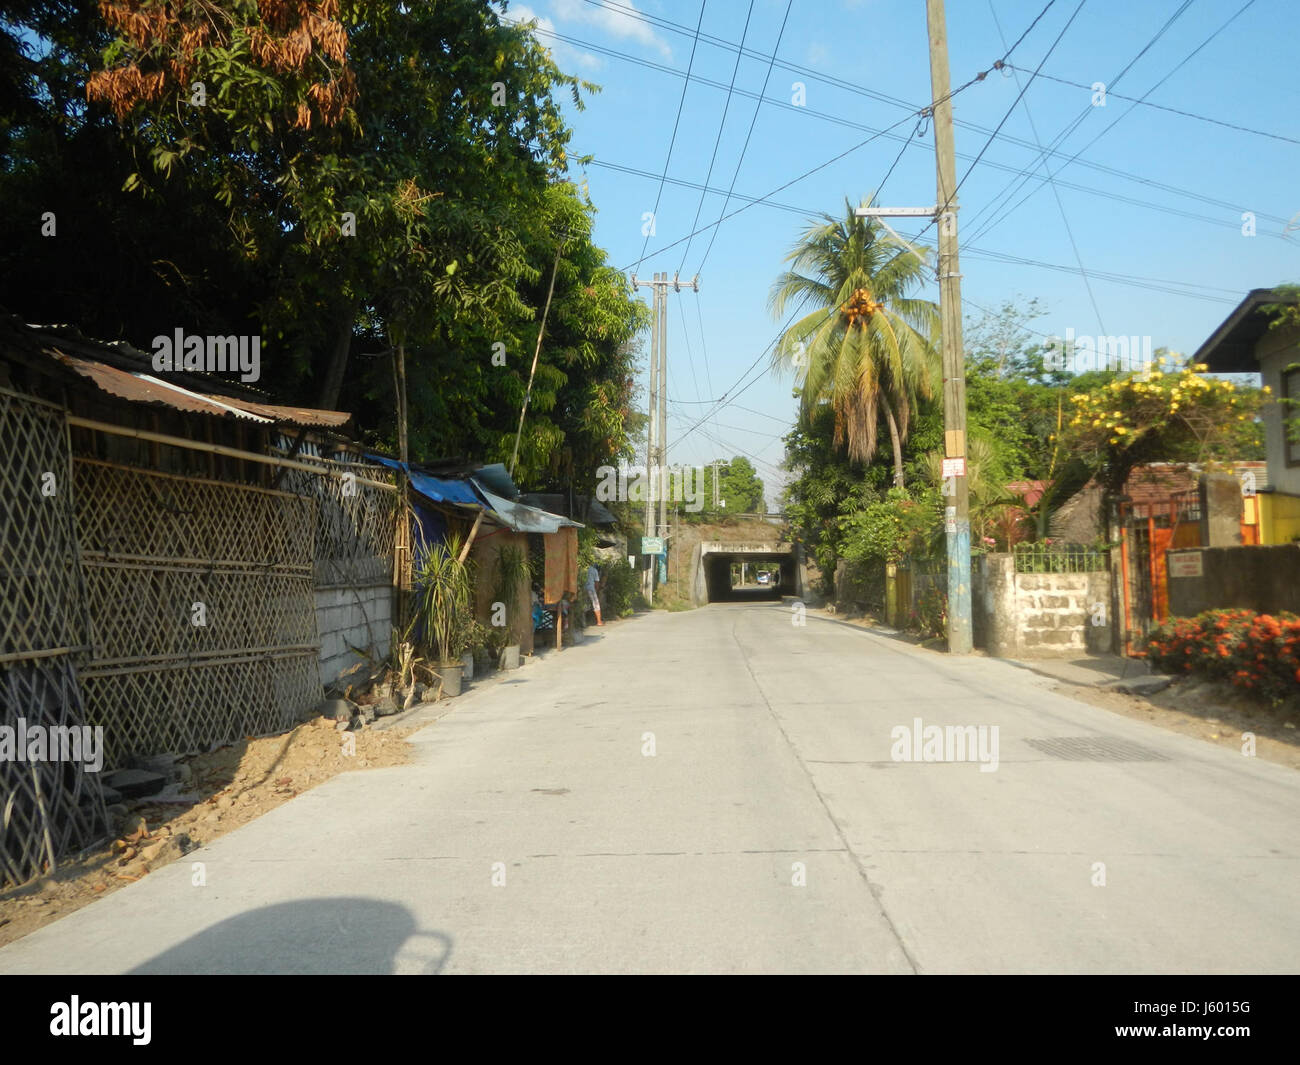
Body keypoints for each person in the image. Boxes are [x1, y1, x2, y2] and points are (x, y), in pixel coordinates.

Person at [584, 562, 603, 626]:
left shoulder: (583, 568)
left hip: (582, 589)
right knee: (596, 604)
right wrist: (596, 591)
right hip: (591, 589)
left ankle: (583, 623)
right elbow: (596, 583)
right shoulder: (594, 570)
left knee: (584, 605)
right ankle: (599, 622)